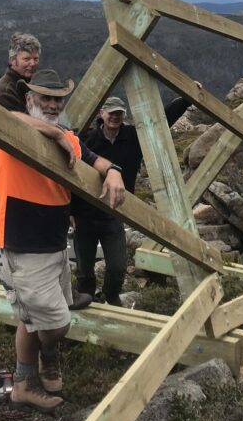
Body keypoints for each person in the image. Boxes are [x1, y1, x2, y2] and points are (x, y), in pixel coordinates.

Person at [0, 69, 125, 413]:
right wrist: (54, 131)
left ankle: (27, 380)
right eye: (45, 99)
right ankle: (45, 359)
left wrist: (113, 171)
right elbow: (2, 116)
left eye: (58, 100)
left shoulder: (70, 139)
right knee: (56, 322)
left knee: (33, 317)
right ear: (29, 100)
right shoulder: (11, 132)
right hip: (20, 245)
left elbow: (96, 160)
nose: (53, 105)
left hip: (53, 245)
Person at [75, 92, 193, 305]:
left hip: (116, 212)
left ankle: (111, 297)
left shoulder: (133, 137)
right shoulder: (87, 140)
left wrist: (186, 99)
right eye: (111, 113)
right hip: (86, 212)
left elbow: (160, 120)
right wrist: (70, 211)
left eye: (119, 113)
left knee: (118, 267)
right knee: (84, 269)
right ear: (101, 113)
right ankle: (87, 300)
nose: (115, 117)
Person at [0, 32, 41, 113]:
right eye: (27, 59)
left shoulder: (38, 84)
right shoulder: (4, 91)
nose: (33, 63)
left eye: (36, 59)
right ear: (13, 61)